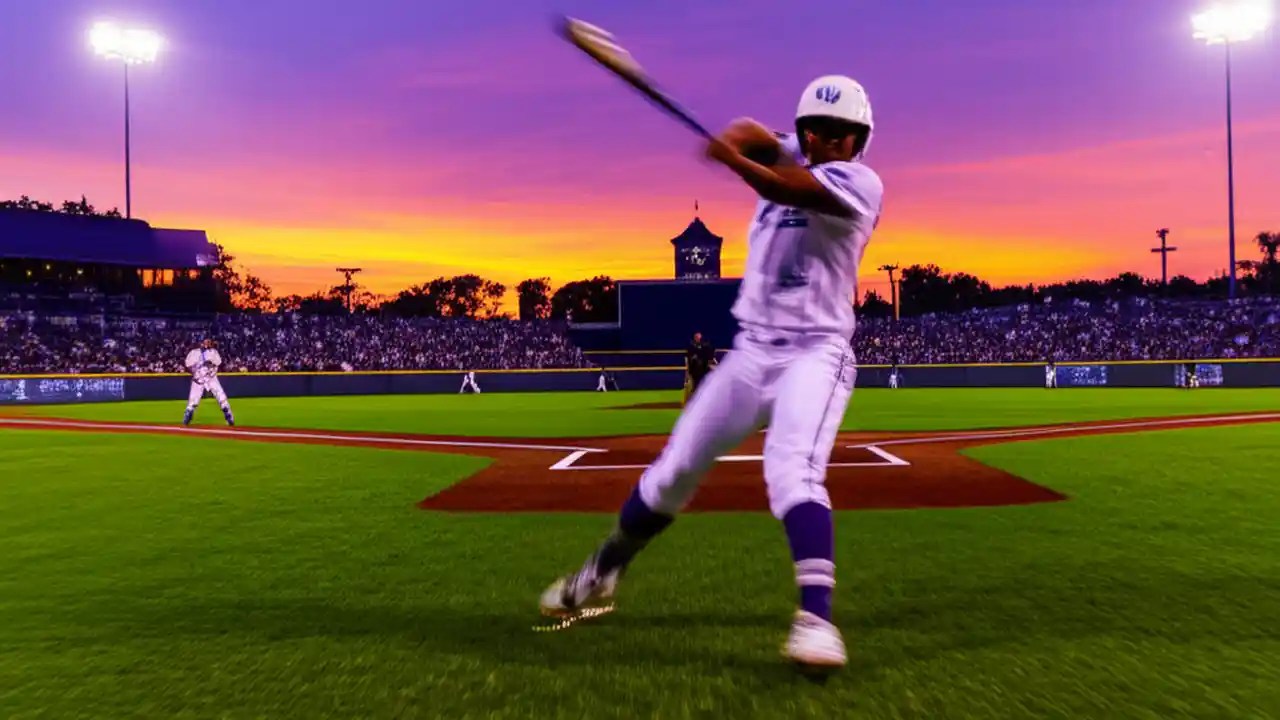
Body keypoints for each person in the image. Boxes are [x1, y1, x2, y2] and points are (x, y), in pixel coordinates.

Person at [540, 75, 882, 669]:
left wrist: (735, 164)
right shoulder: (794, 150)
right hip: (751, 351)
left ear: (859, 142)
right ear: (805, 130)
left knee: (793, 470)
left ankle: (818, 621)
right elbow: (757, 134)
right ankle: (604, 570)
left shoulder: (859, 183)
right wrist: (734, 140)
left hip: (815, 351)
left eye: (842, 134)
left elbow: (788, 187)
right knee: (673, 472)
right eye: (817, 131)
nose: (828, 141)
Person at [183, 338, 234, 426]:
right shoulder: (194, 352)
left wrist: (210, 362)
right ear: (201, 343)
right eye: (206, 342)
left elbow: (218, 362)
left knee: (221, 397)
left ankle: (228, 415)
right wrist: (195, 367)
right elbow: (187, 364)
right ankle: (188, 415)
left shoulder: (214, 352)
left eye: (209, 342)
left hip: (211, 378)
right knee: (193, 401)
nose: (208, 344)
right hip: (198, 379)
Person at [683, 332, 717, 405]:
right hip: (695, 370)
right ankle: (693, 402)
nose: (699, 339)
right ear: (694, 338)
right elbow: (688, 359)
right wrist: (688, 370)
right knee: (695, 386)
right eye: (697, 337)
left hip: (703, 369)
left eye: (699, 337)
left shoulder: (704, 346)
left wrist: (714, 365)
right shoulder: (691, 347)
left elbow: (710, 358)